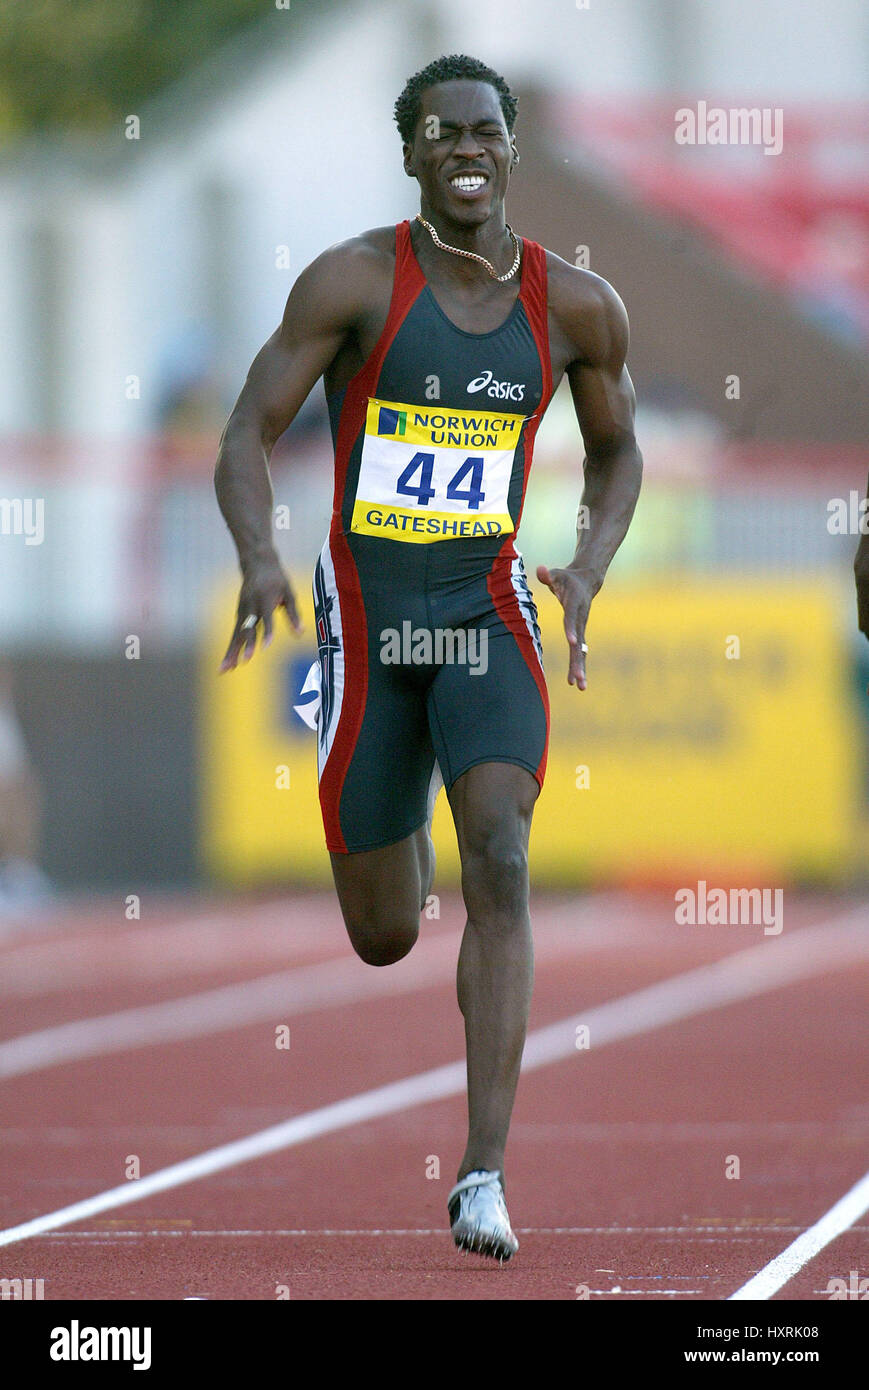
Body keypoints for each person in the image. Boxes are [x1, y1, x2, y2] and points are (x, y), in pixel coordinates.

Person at [214, 54, 642, 1261]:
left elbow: (618, 452)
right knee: (386, 933)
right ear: (411, 153)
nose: (468, 148)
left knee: (500, 856)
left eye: (486, 131)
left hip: (485, 610)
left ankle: (484, 1173)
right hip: (366, 617)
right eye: (443, 132)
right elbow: (246, 431)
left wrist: (589, 563)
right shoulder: (352, 281)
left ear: (511, 148)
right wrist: (257, 554)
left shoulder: (575, 306)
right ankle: (389, 794)